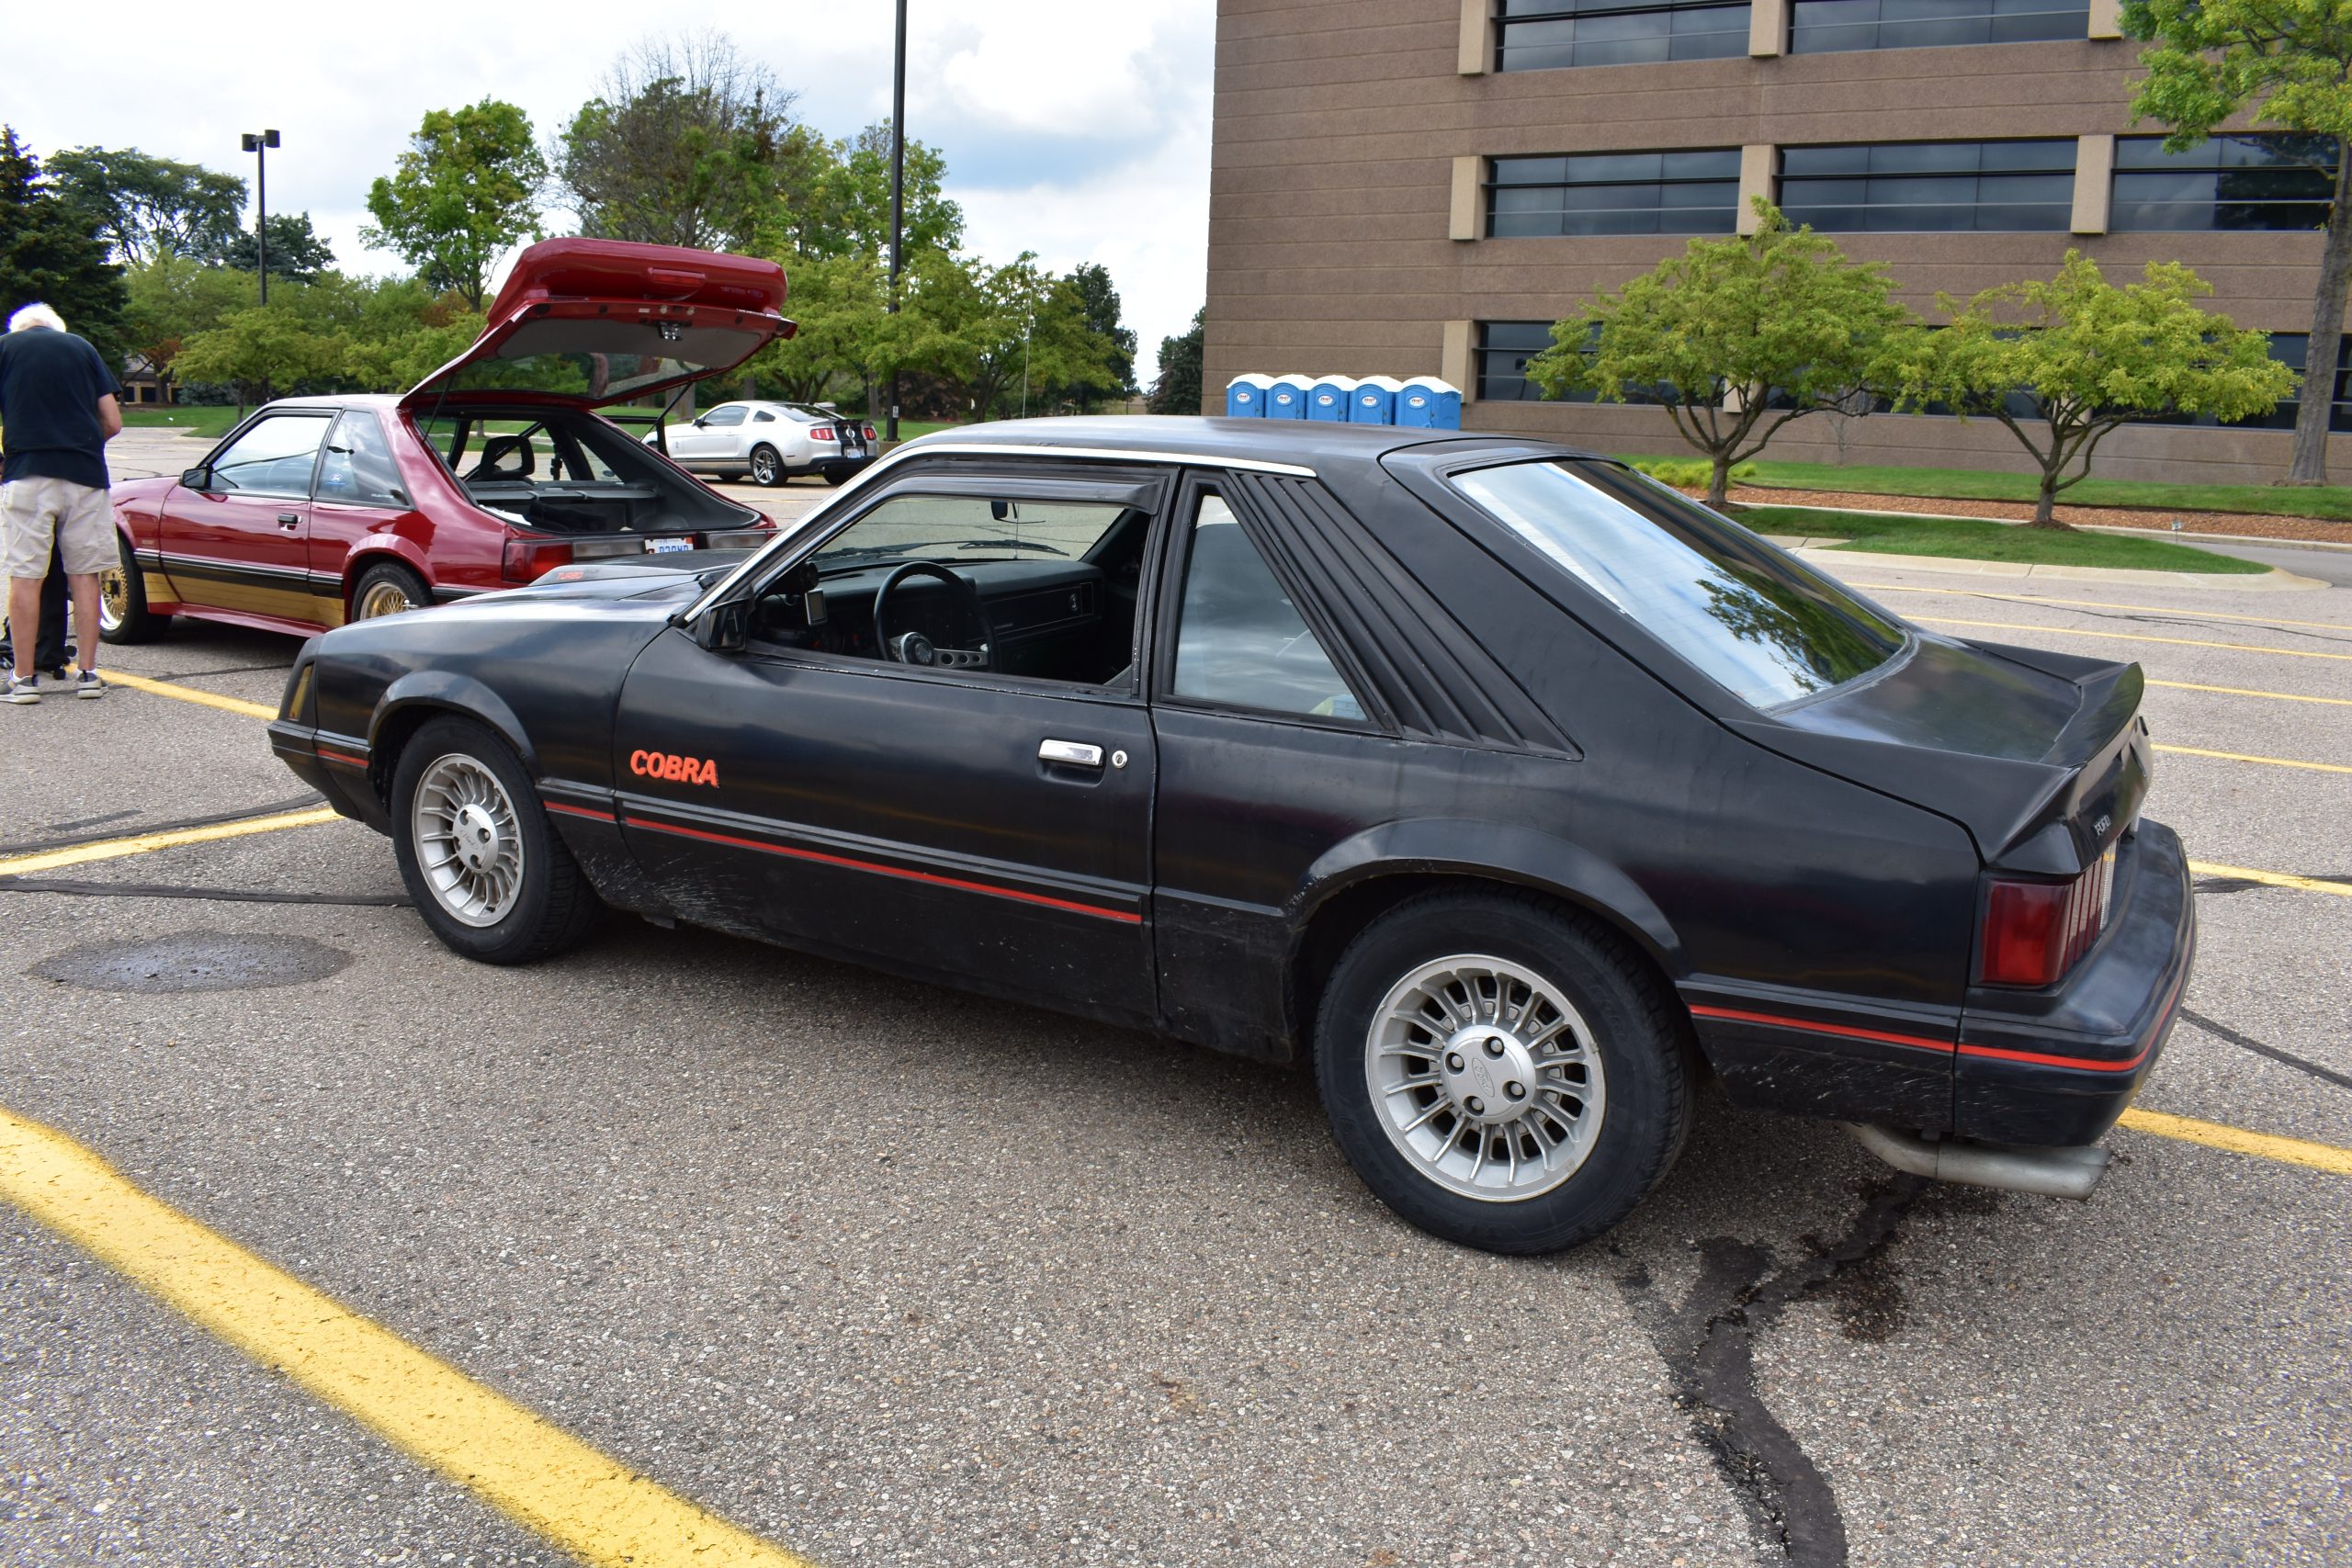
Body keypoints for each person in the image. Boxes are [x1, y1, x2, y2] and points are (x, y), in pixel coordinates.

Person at [0, 300, 120, 704]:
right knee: (85, 575)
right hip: (85, 476)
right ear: (57, 328)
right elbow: (112, 422)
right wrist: (80, 446)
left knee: (26, 576)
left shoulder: (5, 348)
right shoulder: (83, 348)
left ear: (19, 328)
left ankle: (24, 679)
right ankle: (88, 673)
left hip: (27, 472)